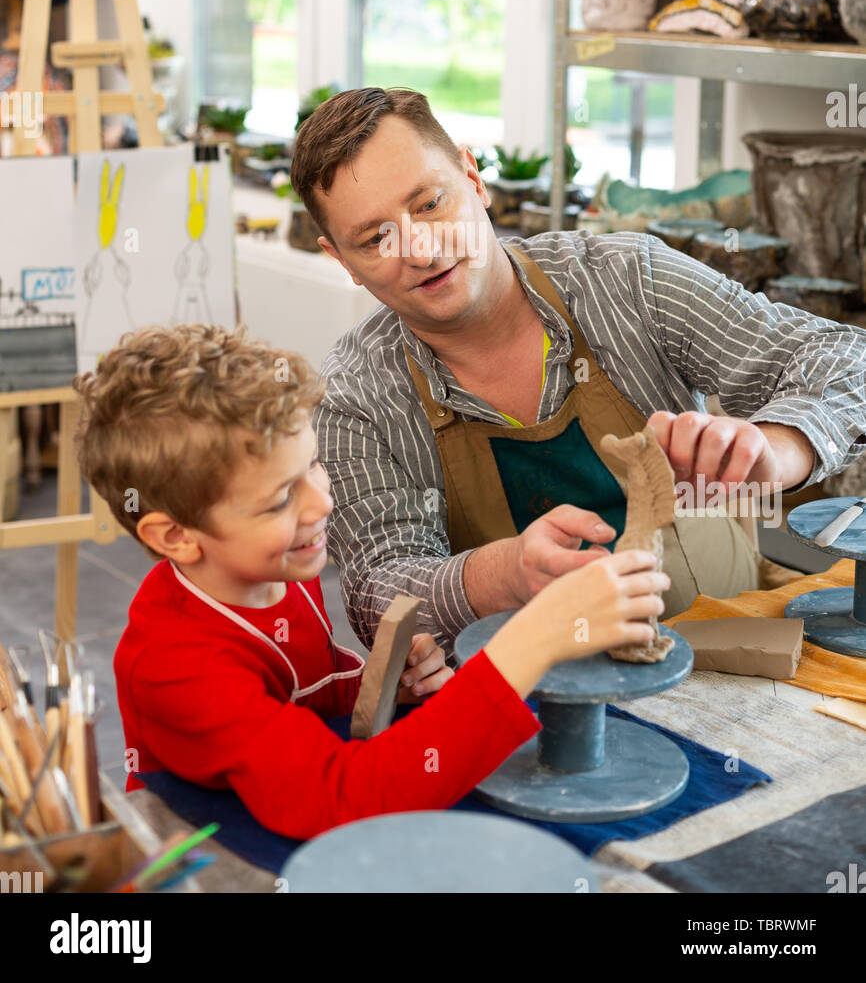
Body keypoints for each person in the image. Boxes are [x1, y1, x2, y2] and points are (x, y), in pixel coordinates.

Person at [289, 87, 866, 657]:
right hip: (533, 702)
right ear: (342, 262)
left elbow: (847, 360)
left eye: (429, 203)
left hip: (734, 654)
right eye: (375, 238)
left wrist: (779, 450)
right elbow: (376, 599)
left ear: (473, 178)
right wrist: (506, 573)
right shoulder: (352, 399)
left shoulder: (627, 280)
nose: (420, 249)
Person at [74, 322, 669, 841]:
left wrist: (376, 684)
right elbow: (343, 801)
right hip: (210, 857)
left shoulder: (273, 569)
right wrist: (534, 640)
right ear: (176, 536)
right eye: (281, 499)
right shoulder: (174, 665)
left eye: (312, 465)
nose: (322, 503)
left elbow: (299, 689)